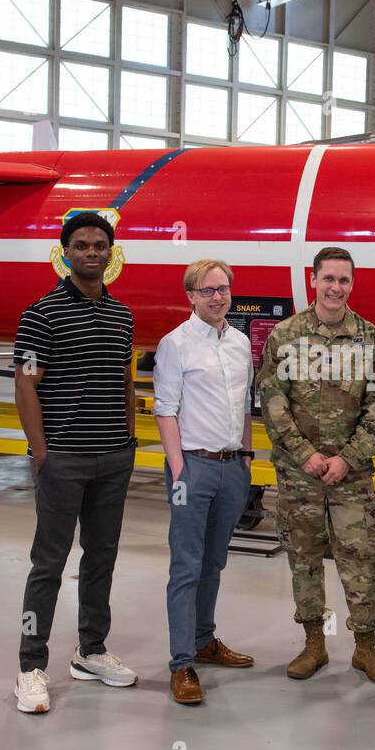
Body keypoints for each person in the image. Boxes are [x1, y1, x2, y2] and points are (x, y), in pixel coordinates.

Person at [11, 211, 139, 715]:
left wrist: (127, 441)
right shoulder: (40, 314)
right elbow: (25, 383)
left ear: (111, 254)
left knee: (101, 557)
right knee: (48, 564)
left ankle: (91, 651)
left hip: (112, 458)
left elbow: (124, 382)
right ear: (65, 253)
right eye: (81, 244)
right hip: (63, 460)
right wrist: (42, 454)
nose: (91, 251)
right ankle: (29, 666)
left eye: (99, 244)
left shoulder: (122, 315)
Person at [256, 247, 375, 684]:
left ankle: (365, 649)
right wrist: (306, 455)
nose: (336, 287)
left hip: (350, 476)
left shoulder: (371, 340)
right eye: (328, 279)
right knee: (304, 557)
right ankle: (313, 644)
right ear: (313, 280)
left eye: (344, 280)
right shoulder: (286, 335)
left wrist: (346, 458)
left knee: (362, 557)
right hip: (300, 474)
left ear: (353, 284)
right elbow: (273, 402)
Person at [153, 259, 256, 705]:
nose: (218, 296)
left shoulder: (238, 343)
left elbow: (245, 404)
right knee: (186, 567)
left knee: (214, 562)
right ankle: (181, 663)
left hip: (232, 467)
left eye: (224, 288)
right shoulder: (175, 344)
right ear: (191, 297)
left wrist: (247, 460)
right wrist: (178, 469)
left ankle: (204, 639)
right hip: (191, 468)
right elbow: (165, 408)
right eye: (208, 290)